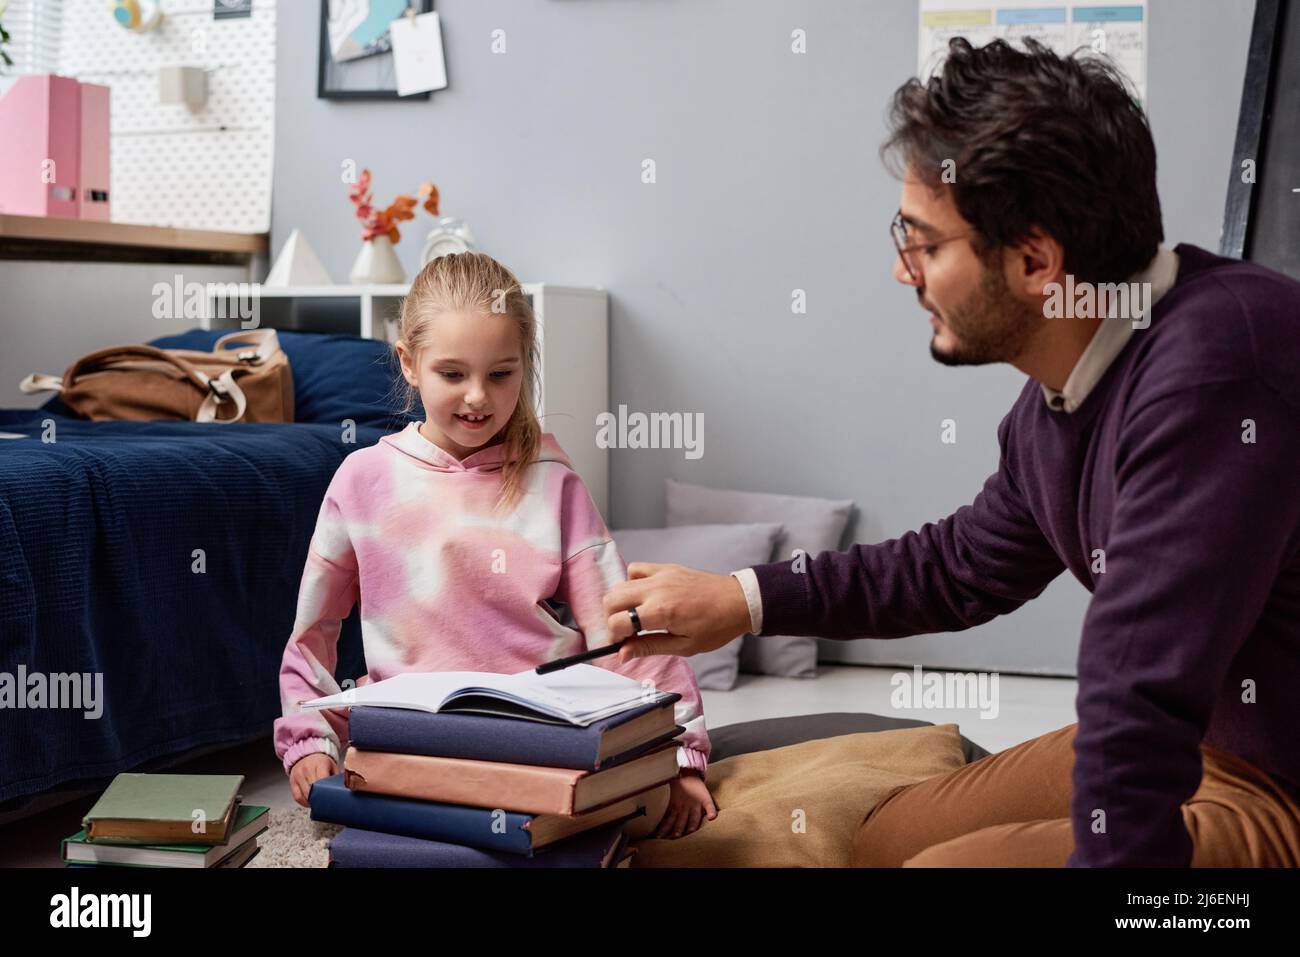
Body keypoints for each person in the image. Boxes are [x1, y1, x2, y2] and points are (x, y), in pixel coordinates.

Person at [603, 38, 1300, 867]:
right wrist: (740, 599)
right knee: (881, 842)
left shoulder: (1217, 373)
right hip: (1204, 741)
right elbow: (961, 565)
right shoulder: (1067, 394)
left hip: (1277, 777)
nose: (904, 274)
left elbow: (1137, 690)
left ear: (1036, 261)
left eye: (927, 245)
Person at [275, 251, 716, 839]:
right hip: (411, 735)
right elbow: (313, 633)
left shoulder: (553, 481)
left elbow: (623, 626)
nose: (478, 397)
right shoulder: (362, 479)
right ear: (409, 363)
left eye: (501, 374)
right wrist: (308, 740)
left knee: (604, 820)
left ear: (524, 366)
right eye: (453, 374)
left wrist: (681, 753)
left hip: (538, 733)